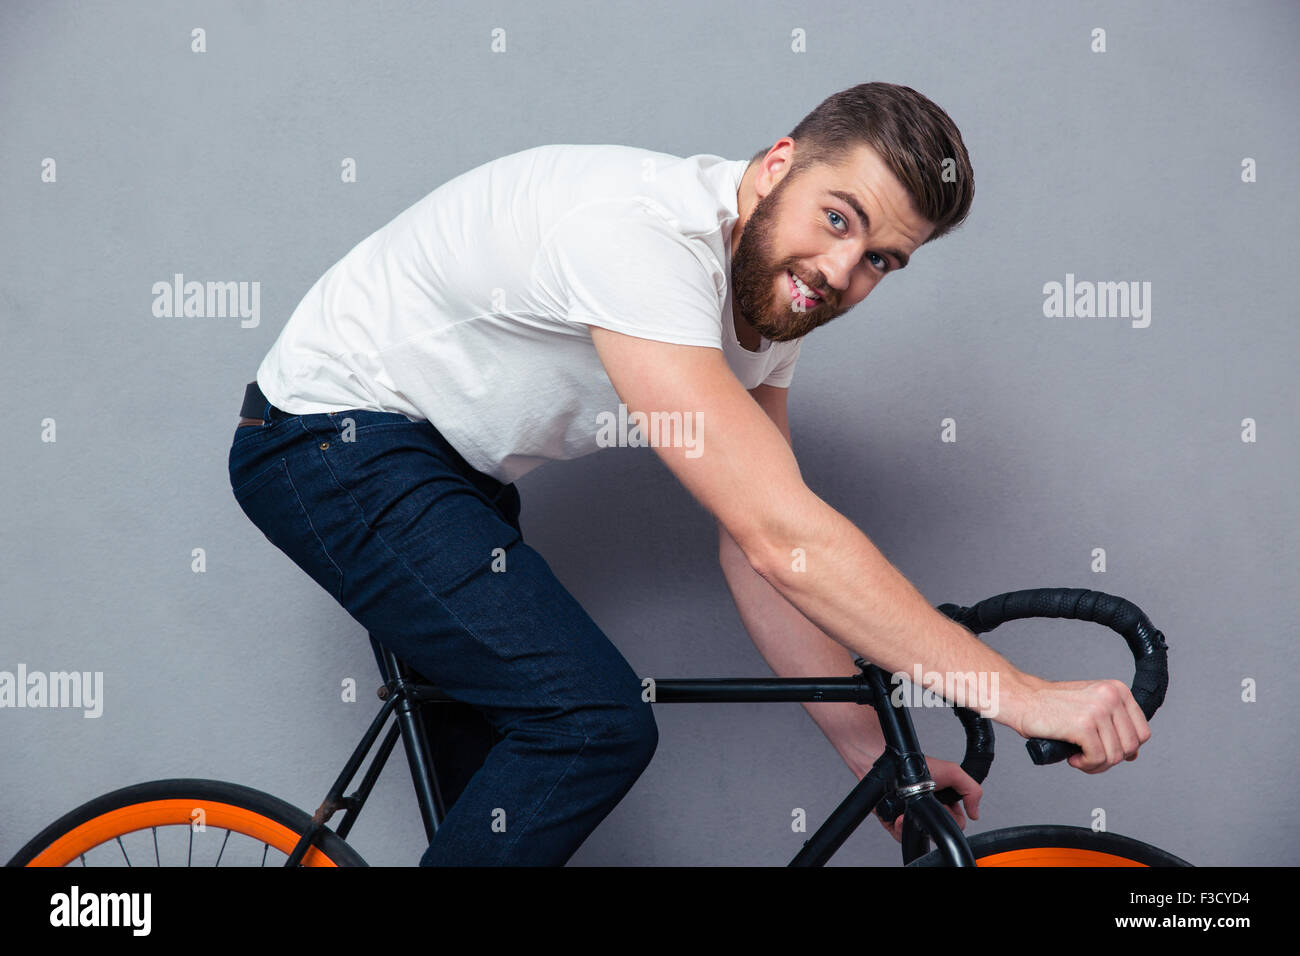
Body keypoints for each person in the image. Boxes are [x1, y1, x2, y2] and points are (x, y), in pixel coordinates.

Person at [227, 81, 1151, 865]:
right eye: (839, 219)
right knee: (592, 724)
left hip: (450, 476)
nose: (838, 271)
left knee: (509, 817)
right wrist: (1024, 696)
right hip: (326, 442)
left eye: (880, 260)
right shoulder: (642, 238)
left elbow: (754, 549)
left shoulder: (769, 313)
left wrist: (876, 765)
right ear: (777, 164)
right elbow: (784, 538)